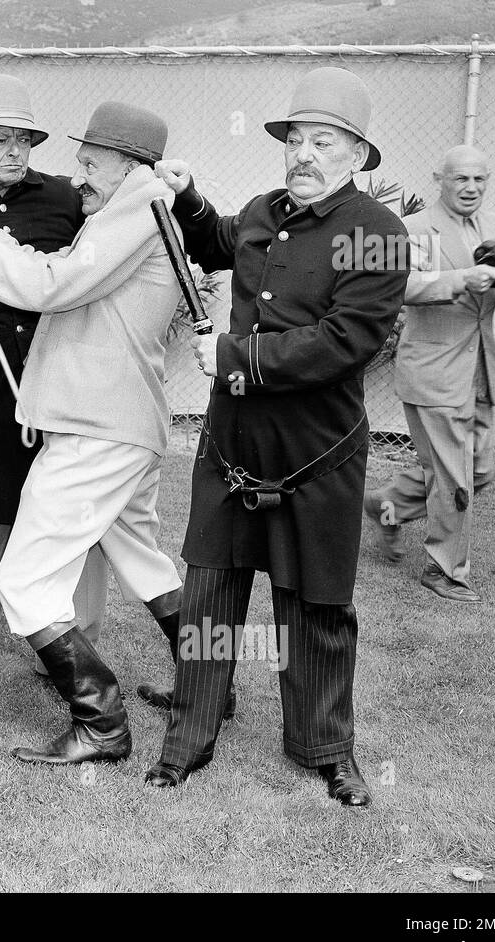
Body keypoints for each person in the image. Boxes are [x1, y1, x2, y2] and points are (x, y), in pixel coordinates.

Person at [146, 67, 409, 806]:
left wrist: (234, 356)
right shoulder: (266, 211)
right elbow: (219, 240)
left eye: (323, 140)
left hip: (318, 453)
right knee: (210, 590)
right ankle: (189, 735)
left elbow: (347, 339)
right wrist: (191, 198)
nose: (304, 152)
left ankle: (324, 748)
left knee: (316, 604)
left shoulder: (378, 235)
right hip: (233, 446)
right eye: (296, 138)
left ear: (357, 153)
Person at [0, 101, 183, 766]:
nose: (81, 173)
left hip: (96, 424)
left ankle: (100, 723)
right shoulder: (131, 208)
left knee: (26, 583)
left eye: (93, 161)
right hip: (122, 420)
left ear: (130, 165)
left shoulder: (137, 204)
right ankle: (210, 683)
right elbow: (70, 276)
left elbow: (57, 285)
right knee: (144, 559)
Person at [0, 74, 108, 694]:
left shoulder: (67, 199)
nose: (11, 151)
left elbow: (98, 268)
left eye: (21, 139)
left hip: (57, 370)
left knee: (67, 504)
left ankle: (66, 639)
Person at [364, 146, 495, 603]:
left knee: (482, 469)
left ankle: (386, 504)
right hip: (433, 370)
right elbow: (398, 286)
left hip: (479, 367)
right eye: (460, 180)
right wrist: (461, 279)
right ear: (440, 178)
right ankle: (444, 569)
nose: (470, 188)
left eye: (479, 180)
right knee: (453, 477)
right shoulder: (414, 230)